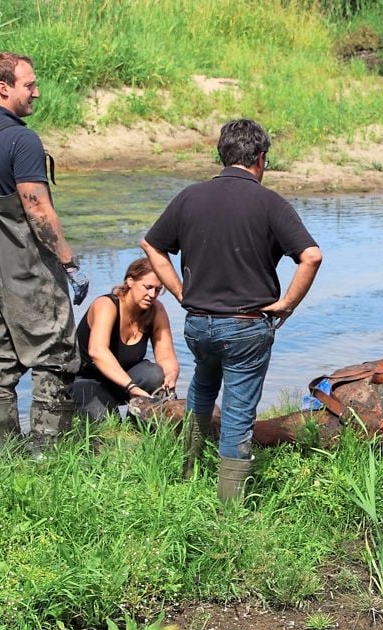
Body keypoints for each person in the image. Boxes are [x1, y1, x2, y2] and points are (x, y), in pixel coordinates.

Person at [141, 118, 322, 499]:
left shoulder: (190, 196)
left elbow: (151, 246)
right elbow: (311, 256)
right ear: (259, 158)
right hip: (245, 326)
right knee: (239, 414)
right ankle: (230, 510)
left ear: (223, 155)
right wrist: (287, 304)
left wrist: (179, 292)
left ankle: (188, 473)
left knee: (202, 391)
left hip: (198, 325)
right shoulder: (270, 203)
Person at [0, 52, 89, 452]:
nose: (36, 93)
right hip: (27, 266)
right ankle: (47, 452)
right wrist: (68, 261)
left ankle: (5, 451)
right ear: (3, 87)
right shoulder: (21, 138)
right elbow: (37, 208)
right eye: (30, 85)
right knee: (55, 351)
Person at [73, 257, 179, 422]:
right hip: (88, 380)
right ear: (130, 281)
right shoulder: (106, 305)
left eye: (158, 290)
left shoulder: (156, 310)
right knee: (109, 422)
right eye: (148, 287)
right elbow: (97, 351)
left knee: (155, 374)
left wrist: (171, 374)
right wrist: (131, 387)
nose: (152, 295)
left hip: (127, 380)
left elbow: (165, 354)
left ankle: (137, 422)